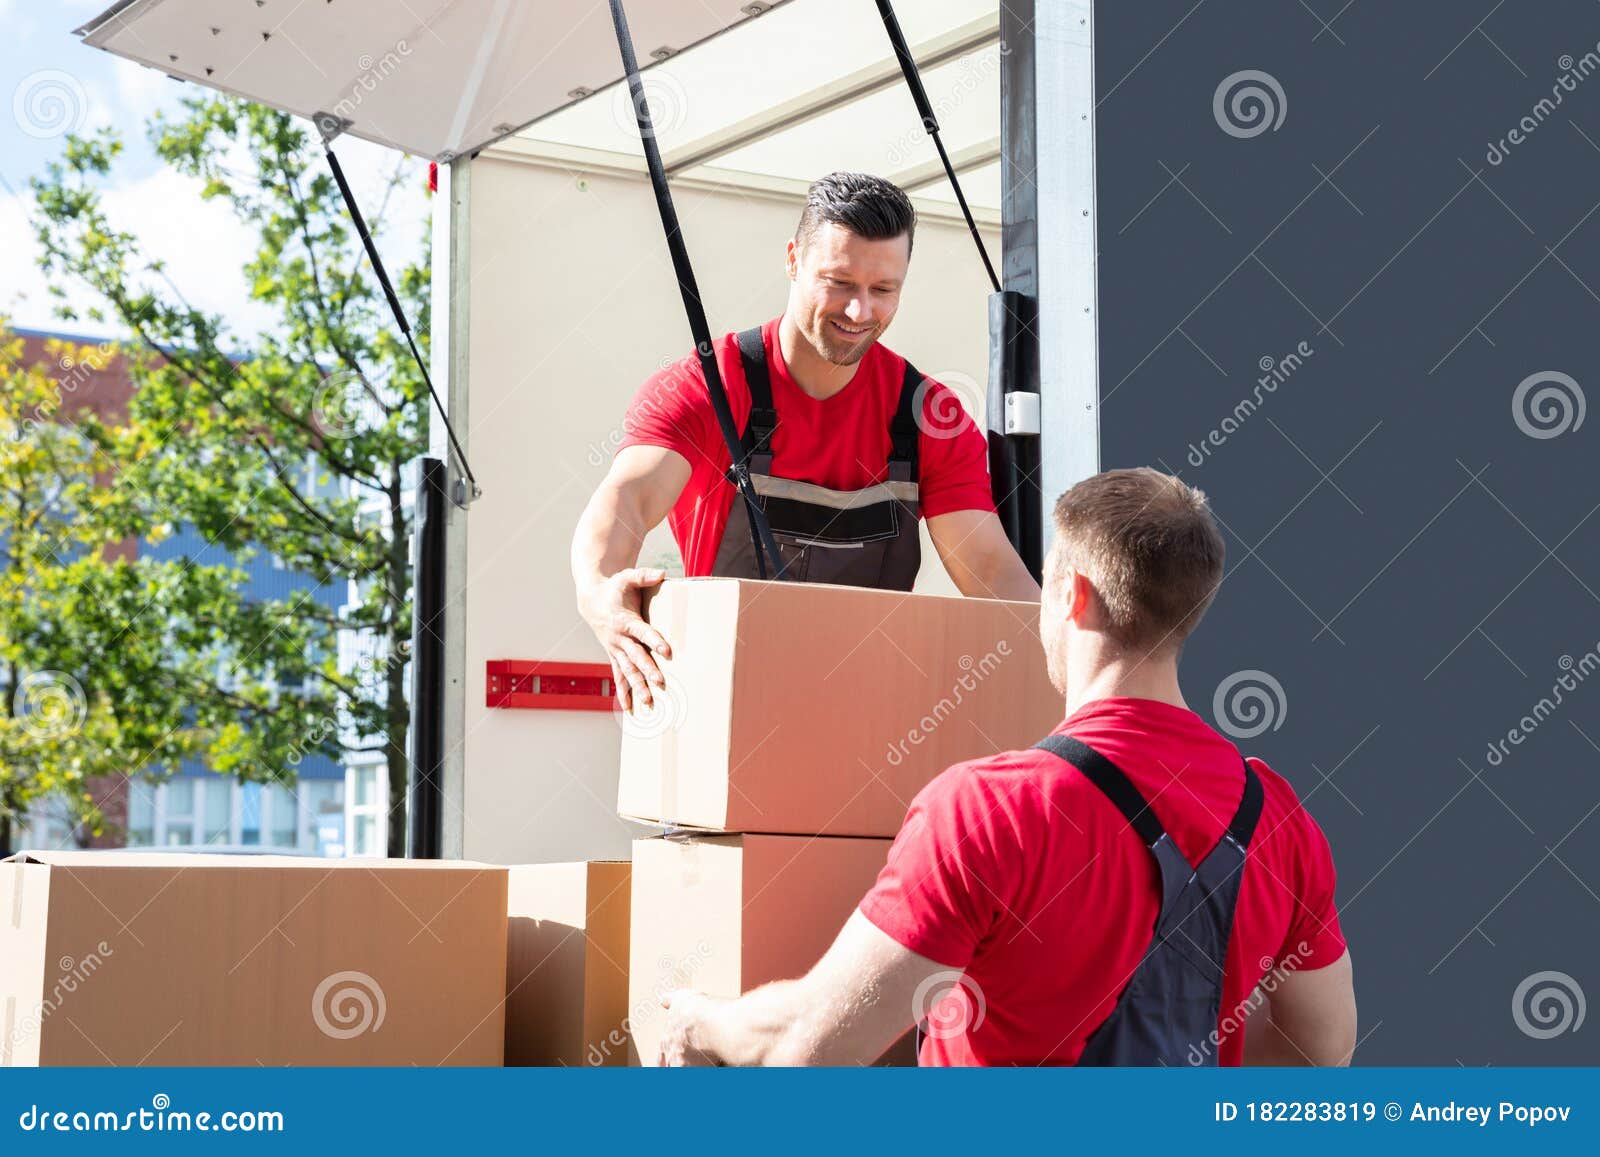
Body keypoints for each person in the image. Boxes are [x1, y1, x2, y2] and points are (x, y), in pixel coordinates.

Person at [657, 467, 1356, 1066]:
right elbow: (1319, 1048)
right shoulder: (1278, 815)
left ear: (1070, 595)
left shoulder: (990, 809)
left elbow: (807, 1047)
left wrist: (699, 1019)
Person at [572, 172, 1038, 712]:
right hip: (722, 712)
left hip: (871, 721)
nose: (860, 312)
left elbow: (988, 566)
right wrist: (599, 593)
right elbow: (630, 497)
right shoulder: (710, 387)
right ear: (793, 259)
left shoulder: (932, 416)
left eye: (883, 290)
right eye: (839, 282)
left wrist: (1072, 657)